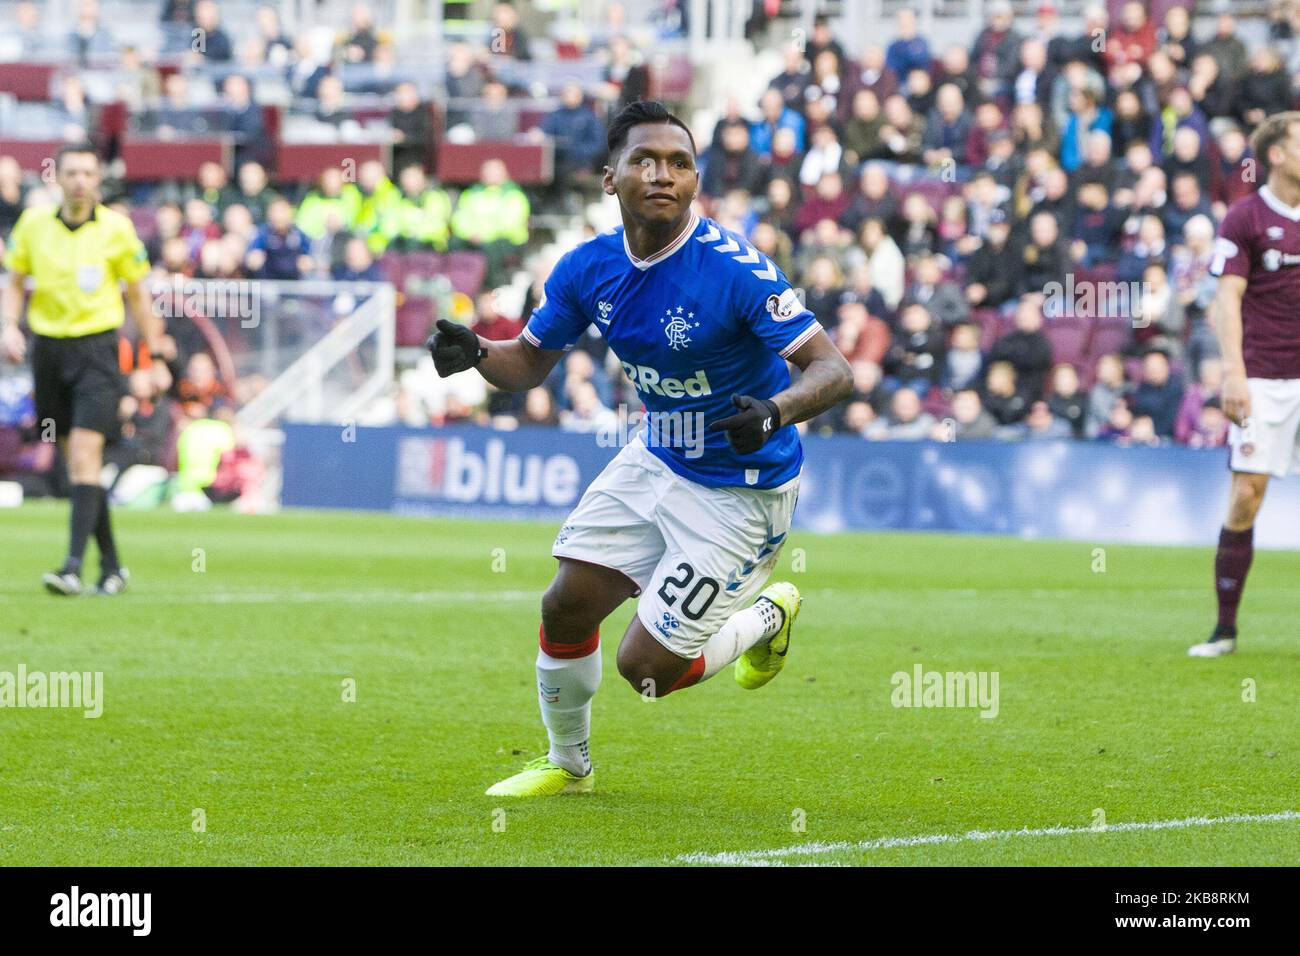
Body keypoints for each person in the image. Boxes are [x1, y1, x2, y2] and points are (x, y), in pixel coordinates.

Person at [427, 100, 852, 796]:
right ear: (609, 178)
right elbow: (530, 362)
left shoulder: (736, 269)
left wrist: (776, 411)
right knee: (565, 604)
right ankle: (568, 765)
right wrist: (476, 351)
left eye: (680, 164)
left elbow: (835, 370)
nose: (664, 175)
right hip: (657, 456)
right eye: (646, 161)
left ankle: (768, 616)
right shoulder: (586, 268)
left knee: (647, 672)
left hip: (741, 489)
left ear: (695, 183)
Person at [0, 144, 169, 596]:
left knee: (85, 456)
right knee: (79, 463)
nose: (79, 181)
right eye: (71, 172)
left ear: (98, 180)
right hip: (49, 352)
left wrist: (155, 354)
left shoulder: (117, 230)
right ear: (58, 178)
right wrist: (8, 327)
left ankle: (72, 566)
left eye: (88, 173)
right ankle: (112, 567)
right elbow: (15, 282)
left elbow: (138, 293)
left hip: (97, 352)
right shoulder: (33, 226)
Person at [1189, 112, 1300, 657]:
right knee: (1246, 498)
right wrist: (1234, 373)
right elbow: (1225, 299)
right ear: (1276, 154)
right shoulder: (1245, 218)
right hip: (1264, 378)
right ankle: (1225, 628)